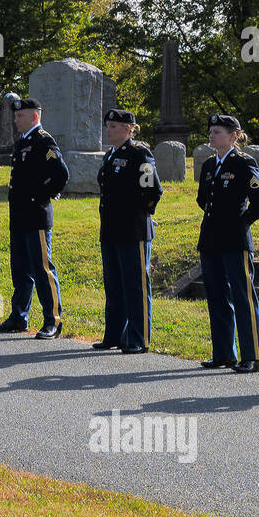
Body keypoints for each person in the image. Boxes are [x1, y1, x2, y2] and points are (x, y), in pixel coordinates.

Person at [196, 114, 259, 373]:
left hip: (235, 241)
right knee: (216, 296)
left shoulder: (243, 163)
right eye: (211, 131)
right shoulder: (208, 165)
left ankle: (251, 355)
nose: (212, 136)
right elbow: (203, 199)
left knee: (242, 297)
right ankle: (224, 353)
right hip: (210, 239)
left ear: (234, 136)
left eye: (217, 132)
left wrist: (241, 223)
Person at [0, 97, 70, 338]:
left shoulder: (42, 141)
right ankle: (19, 317)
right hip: (19, 216)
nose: (16, 120)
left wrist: (42, 194)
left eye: (20, 116)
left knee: (42, 269)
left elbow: (61, 174)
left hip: (36, 215)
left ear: (34, 116)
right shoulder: (23, 142)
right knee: (20, 270)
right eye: (15, 116)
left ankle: (53, 320)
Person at [94, 108, 162, 353]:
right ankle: (114, 335)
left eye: (113, 126)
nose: (108, 130)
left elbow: (152, 189)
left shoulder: (139, 154)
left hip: (133, 230)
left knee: (135, 285)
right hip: (110, 229)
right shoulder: (109, 155)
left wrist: (142, 215)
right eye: (107, 126)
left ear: (128, 129)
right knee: (114, 285)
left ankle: (138, 337)